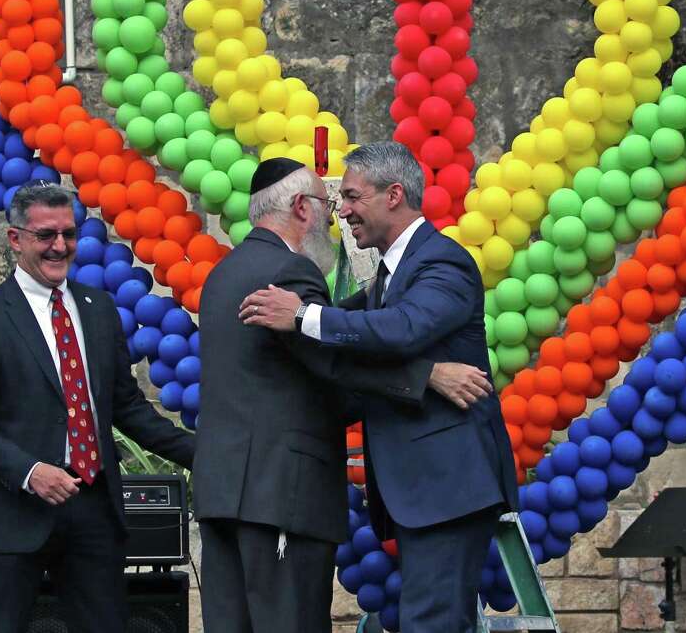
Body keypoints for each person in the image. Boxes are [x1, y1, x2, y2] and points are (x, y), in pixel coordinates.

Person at [195, 157, 493, 633]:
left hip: (226, 492)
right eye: (332, 201)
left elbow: (391, 328)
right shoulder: (291, 275)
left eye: (350, 198)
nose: (340, 213)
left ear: (393, 196)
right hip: (281, 492)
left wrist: (306, 318)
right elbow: (331, 363)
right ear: (301, 208)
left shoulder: (225, 273)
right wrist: (426, 376)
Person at [0, 181, 196, 633]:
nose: (59, 246)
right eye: (45, 235)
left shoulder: (98, 308)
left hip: (92, 509)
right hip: (14, 512)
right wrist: (31, 472)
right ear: (15, 239)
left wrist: (205, 455)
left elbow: (127, 406)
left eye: (68, 234)